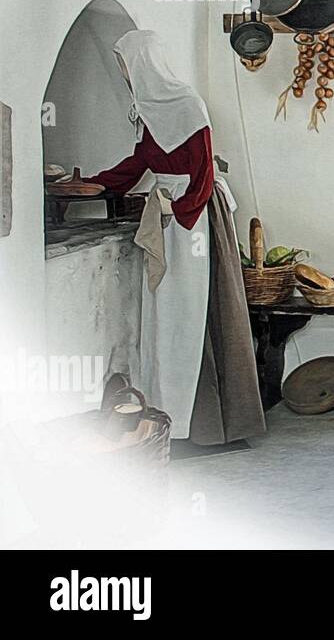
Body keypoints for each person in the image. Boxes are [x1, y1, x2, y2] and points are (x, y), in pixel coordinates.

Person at [88, 30, 264, 444]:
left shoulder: (188, 105)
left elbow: (203, 173)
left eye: (127, 65)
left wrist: (180, 212)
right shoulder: (149, 112)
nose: (125, 75)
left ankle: (208, 423)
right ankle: (171, 417)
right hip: (170, 215)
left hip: (196, 217)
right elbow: (138, 163)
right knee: (166, 316)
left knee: (193, 308)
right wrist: (93, 185)